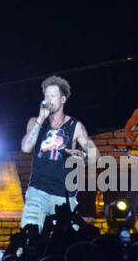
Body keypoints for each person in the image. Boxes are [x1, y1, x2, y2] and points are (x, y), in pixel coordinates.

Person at [21, 76, 98, 229]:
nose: (49, 99)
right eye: (46, 95)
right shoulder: (35, 122)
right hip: (38, 192)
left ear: (63, 99)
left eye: (53, 95)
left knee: (72, 241)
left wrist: (81, 157)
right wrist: (40, 120)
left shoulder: (75, 126)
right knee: (29, 237)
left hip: (65, 195)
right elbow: (26, 148)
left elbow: (95, 156)